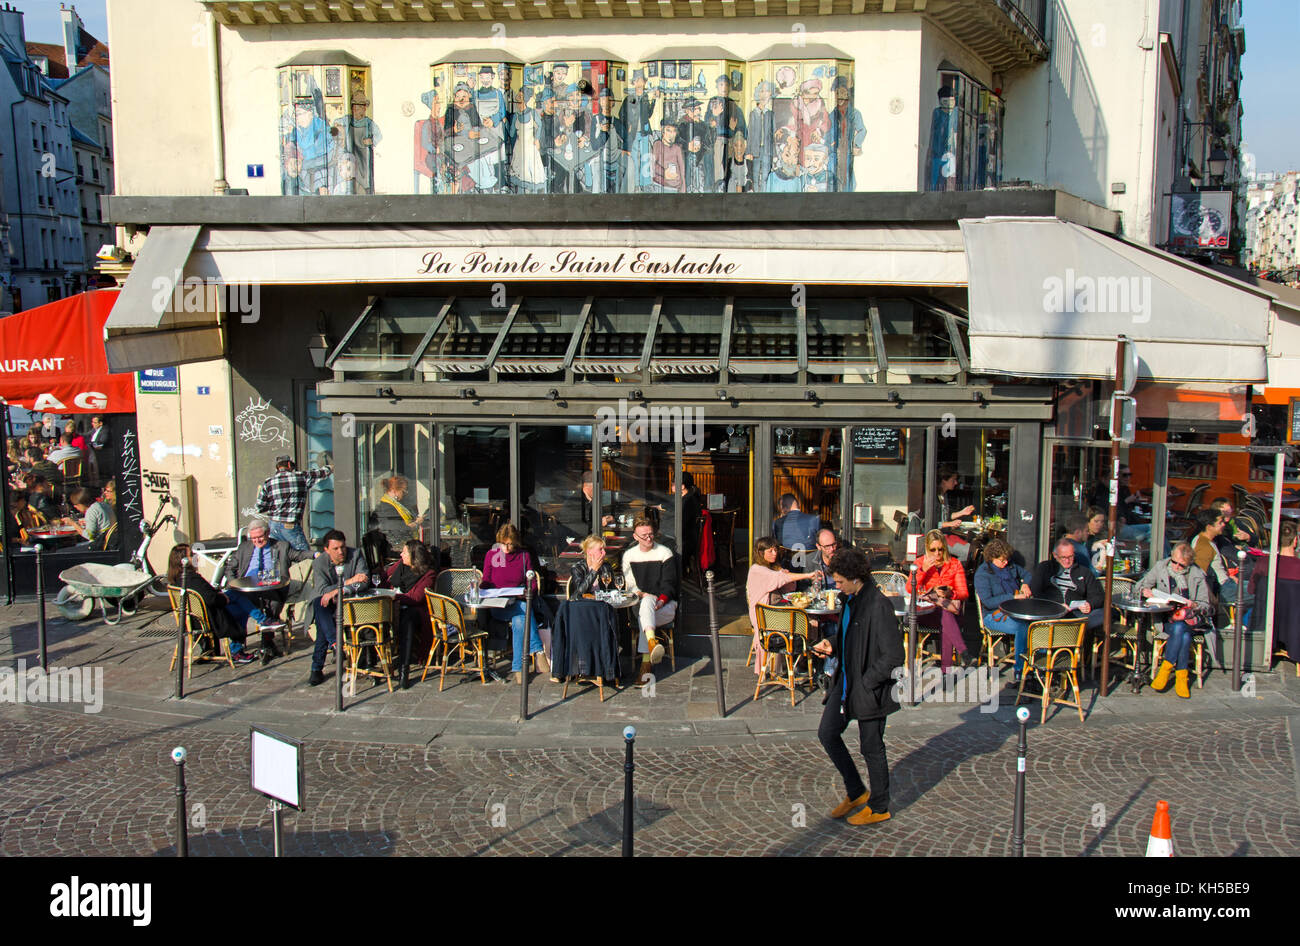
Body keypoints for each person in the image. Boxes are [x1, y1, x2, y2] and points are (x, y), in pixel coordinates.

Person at [810, 545, 902, 826]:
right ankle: (856, 791)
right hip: (846, 679)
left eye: (839, 580)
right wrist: (832, 644)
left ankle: (879, 806)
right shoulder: (850, 599)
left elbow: (894, 656)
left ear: (855, 577)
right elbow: (851, 637)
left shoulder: (878, 604)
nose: (836, 585)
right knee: (827, 733)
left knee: (871, 747)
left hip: (868, 687)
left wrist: (867, 681)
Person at [220, 518, 313, 664]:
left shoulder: (281, 546)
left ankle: (267, 641)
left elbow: (298, 555)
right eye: (254, 538)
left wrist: (315, 555)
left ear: (268, 533)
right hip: (248, 589)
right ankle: (238, 648)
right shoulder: (244, 547)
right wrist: (233, 583)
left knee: (273, 603)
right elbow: (230, 568)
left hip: (272, 588)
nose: (257, 540)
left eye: (260, 537)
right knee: (238, 607)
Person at [1139, 543, 1212, 699]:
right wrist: (1148, 592)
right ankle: (1181, 678)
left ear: (1189, 564)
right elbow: (1140, 586)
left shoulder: (1196, 574)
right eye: (1175, 562)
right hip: (1166, 619)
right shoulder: (1161, 567)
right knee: (1183, 636)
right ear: (1171, 557)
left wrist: (1194, 605)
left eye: (1182, 565)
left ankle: (1165, 669)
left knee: (1181, 629)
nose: (1177, 567)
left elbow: (1206, 605)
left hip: (1189, 620)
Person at [166, 545, 257, 664]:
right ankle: (237, 650)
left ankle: (259, 621)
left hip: (190, 619)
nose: (196, 558)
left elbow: (205, 595)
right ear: (183, 560)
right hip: (208, 620)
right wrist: (224, 599)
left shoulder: (177, 579)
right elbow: (211, 599)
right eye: (192, 555)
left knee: (234, 594)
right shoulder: (192, 579)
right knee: (241, 609)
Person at [481, 523, 547, 683]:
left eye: (510, 543)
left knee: (520, 619)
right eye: (504, 543)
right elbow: (486, 580)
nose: (507, 547)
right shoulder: (492, 555)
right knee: (524, 610)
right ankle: (538, 650)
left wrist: (527, 591)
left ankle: (519, 668)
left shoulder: (523, 556)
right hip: (499, 605)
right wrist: (483, 590)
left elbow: (531, 581)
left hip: (517, 601)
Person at [306, 530, 371, 687]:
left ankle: (319, 666)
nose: (341, 551)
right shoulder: (319, 563)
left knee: (323, 625)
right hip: (327, 604)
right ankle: (335, 644)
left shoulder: (355, 555)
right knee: (320, 605)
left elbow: (364, 581)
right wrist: (350, 581)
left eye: (343, 547)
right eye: (335, 549)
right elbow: (322, 591)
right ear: (326, 549)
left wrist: (338, 590)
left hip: (349, 603)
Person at [621, 517, 679, 686]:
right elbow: (630, 585)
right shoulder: (629, 555)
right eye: (644, 535)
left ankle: (646, 664)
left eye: (651, 534)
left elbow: (669, 584)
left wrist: (659, 601)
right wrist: (641, 594)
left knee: (645, 612)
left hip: (665, 606)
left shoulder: (664, 553)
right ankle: (651, 645)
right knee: (645, 606)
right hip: (641, 605)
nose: (648, 538)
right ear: (635, 537)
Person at [746, 536, 817, 676]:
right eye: (770, 551)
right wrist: (808, 575)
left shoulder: (773, 568)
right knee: (810, 623)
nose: (775, 553)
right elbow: (778, 579)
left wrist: (786, 575)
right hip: (766, 617)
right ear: (760, 552)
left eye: (775, 550)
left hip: (779, 610)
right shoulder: (757, 569)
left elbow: (788, 588)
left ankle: (801, 660)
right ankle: (796, 663)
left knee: (812, 620)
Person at [905, 529, 972, 669]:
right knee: (945, 617)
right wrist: (922, 570)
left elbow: (964, 593)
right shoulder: (919, 563)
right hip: (926, 612)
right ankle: (962, 653)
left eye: (940, 549)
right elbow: (910, 589)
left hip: (949, 610)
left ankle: (947, 671)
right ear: (927, 549)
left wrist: (950, 594)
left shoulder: (954, 564)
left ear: (945, 548)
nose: (937, 553)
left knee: (946, 617)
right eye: (933, 549)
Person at [973, 538, 1035, 684]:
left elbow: (1027, 575)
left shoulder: (1011, 566)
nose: (1005, 563)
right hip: (994, 615)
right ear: (991, 558)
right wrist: (1013, 597)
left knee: (1036, 623)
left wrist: (1026, 584)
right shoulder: (982, 574)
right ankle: (1020, 669)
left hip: (1016, 609)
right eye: (1001, 561)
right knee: (1022, 627)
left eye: (1006, 559)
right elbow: (988, 602)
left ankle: (1037, 662)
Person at [255, 454, 333, 551]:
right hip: (290, 526)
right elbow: (322, 473)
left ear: (277, 468)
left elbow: (259, 507)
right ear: (288, 464)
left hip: (273, 526)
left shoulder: (269, 482)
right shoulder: (301, 477)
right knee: (304, 556)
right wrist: (330, 466)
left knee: (277, 557)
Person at [382, 539, 439, 672]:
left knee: (407, 620)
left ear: (414, 556)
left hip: (416, 610)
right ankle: (369, 661)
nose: (401, 555)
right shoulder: (401, 565)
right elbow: (384, 577)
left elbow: (416, 598)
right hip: (394, 606)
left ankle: (404, 668)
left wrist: (394, 596)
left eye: (404, 552)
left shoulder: (428, 574)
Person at [1030, 538, 1105, 631]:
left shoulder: (1083, 571)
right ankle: (1073, 630)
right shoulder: (1045, 568)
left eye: (1071, 557)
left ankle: (1073, 629)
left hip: (1076, 614)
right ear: (1055, 555)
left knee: (1104, 614)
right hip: (1051, 613)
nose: (1067, 561)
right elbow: (1035, 592)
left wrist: (1089, 604)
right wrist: (1057, 605)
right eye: (1063, 557)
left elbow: (1098, 596)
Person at [370, 474, 424, 551]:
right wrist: (416, 523)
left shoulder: (394, 505)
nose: (405, 494)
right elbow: (400, 528)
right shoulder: (387, 508)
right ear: (395, 491)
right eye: (404, 491)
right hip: (394, 546)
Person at [772, 492, 820, 560]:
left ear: (783, 508)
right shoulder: (814, 519)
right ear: (799, 504)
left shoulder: (777, 523)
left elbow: (776, 542)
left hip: (786, 563)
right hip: (811, 562)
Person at [1060, 512, 1097, 576]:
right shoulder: (1080, 549)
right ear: (1078, 532)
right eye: (1087, 531)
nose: (1089, 533)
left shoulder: (1058, 544)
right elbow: (1091, 575)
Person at [87, 415, 110, 482]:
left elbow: (103, 441)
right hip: (93, 452)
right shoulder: (94, 430)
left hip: (101, 454)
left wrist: (93, 443)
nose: (92, 424)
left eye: (94, 422)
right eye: (92, 422)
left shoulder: (105, 430)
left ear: (100, 423)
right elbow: (86, 434)